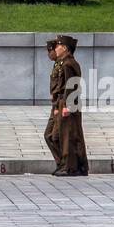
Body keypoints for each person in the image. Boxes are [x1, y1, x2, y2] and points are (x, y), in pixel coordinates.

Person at [53, 35, 88, 177]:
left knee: (69, 136)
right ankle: (75, 166)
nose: (56, 48)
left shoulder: (68, 64)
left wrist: (67, 105)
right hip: (66, 102)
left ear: (65, 48)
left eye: (58, 46)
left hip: (69, 103)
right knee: (69, 135)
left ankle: (70, 167)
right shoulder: (65, 63)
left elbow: (71, 85)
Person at [43, 38, 64, 173]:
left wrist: (58, 106)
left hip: (59, 105)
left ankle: (64, 163)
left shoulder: (64, 65)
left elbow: (64, 88)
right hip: (55, 104)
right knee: (49, 135)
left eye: (50, 51)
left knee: (54, 136)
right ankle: (61, 163)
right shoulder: (57, 65)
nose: (49, 54)